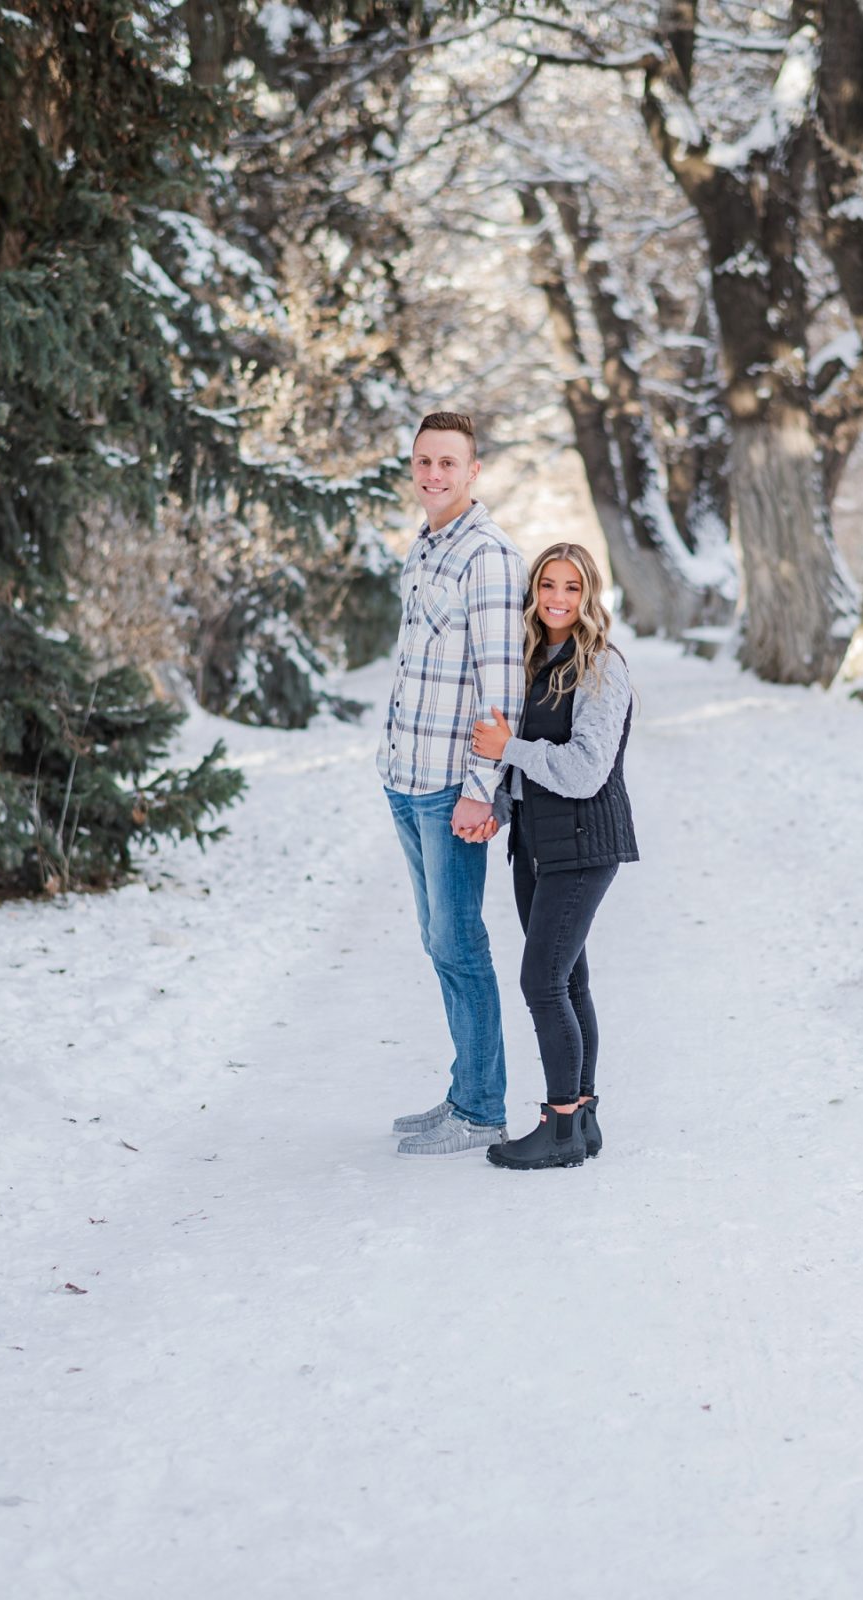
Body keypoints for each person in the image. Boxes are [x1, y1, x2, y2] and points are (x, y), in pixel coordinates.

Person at [379, 412, 527, 1159]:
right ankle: (464, 1091)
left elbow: (500, 688)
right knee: (440, 944)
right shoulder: (428, 544)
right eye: (422, 461)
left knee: (460, 943)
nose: (432, 474)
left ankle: (481, 1112)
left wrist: (480, 788)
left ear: (474, 472)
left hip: (447, 788)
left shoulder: (489, 558)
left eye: (447, 463)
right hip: (406, 778)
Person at [472, 542, 638, 1170]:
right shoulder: (535, 659)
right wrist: (501, 811)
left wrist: (509, 748)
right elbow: (533, 765)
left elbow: (585, 772)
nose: (558, 599)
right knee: (568, 980)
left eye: (572, 588)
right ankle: (585, 1119)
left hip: (583, 845)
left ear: (589, 594)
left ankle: (560, 1126)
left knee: (540, 982)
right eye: (548, 585)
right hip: (536, 846)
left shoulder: (600, 667)